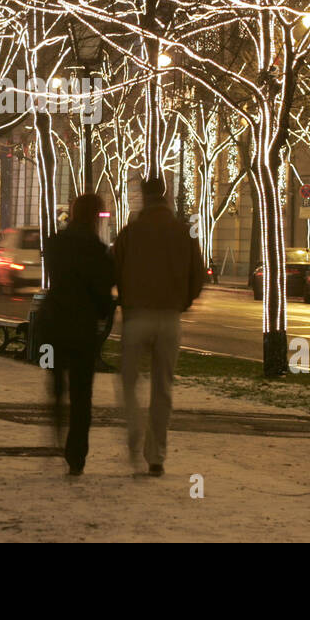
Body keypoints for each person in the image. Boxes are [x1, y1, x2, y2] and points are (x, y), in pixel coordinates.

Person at [113, 176, 205, 477]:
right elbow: (197, 276)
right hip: (169, 316)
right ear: (165, 196)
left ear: (143, 196)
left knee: (129, 381)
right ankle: (156, 454)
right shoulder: (183, 232)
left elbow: (114, 269)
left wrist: (126, 297)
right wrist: (183, 301)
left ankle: (135, 429)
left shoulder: (131, 232)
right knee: (162, 387)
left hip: (136, 314)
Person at [39, 193, 114, 477]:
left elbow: (56, 277)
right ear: (95, 216)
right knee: (82, 395)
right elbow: (103, 289)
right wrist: (104, 313)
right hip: (82, 328)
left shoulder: (56, 243)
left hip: (54, 324)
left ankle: (57, 428)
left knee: (56, 380)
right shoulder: (97, 250)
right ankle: (76, 455)